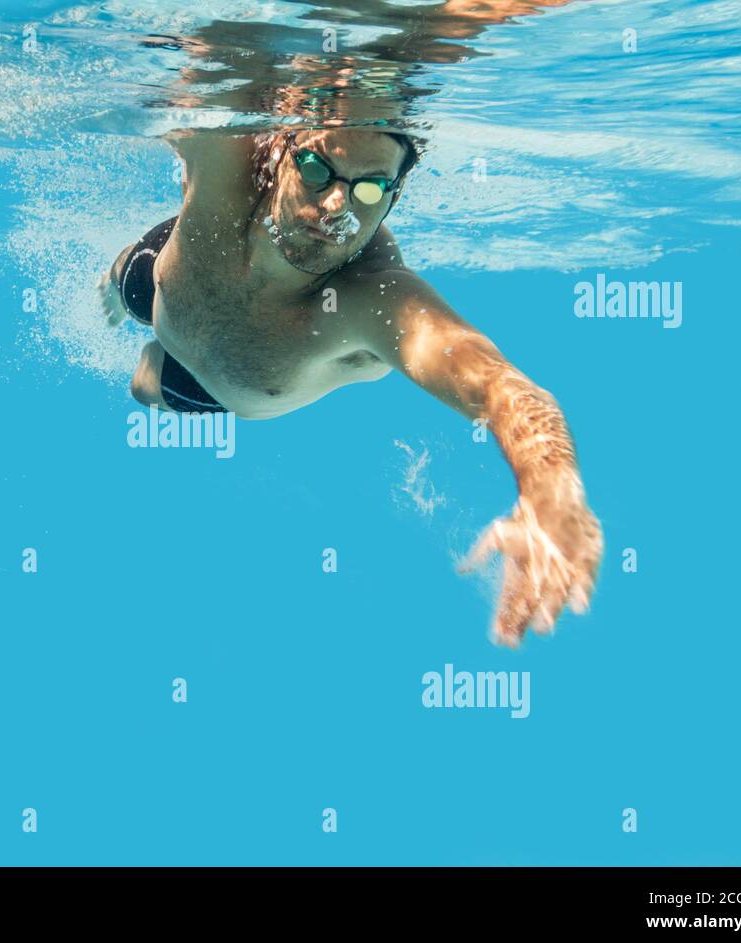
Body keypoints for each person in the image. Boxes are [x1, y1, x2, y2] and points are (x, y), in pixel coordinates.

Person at [99, 125, 603, 646]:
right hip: (174, 276)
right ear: (280, 155)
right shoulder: (230, 162)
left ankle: (150, 345)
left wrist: (550, 487)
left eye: (369, 188)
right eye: (317, 170)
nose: (337, 203)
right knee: (127, 277)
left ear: (394, 195)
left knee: (144, 386)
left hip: (212, 381)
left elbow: (496, 385)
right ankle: (122, 288)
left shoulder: (371, 298)